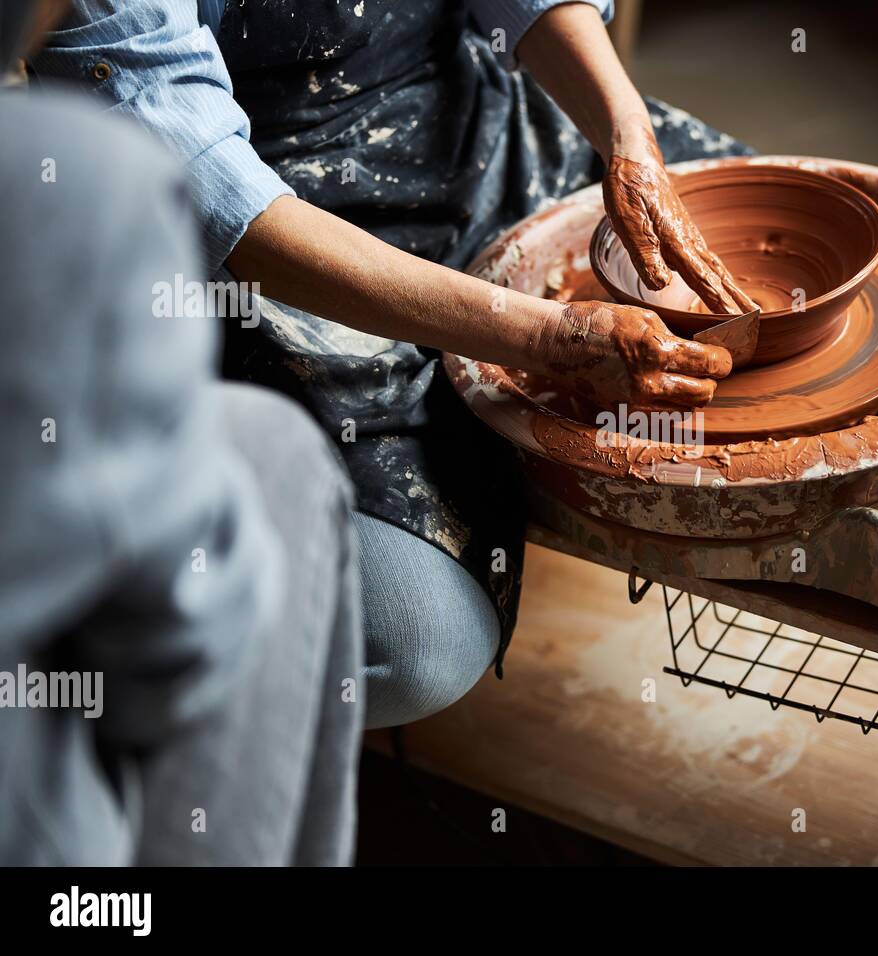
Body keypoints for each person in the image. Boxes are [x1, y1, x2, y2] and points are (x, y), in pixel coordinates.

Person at [32, 0, 754, 727]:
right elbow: (198, 178)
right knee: (420, 646)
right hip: (269, 247)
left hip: (461, 125)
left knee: (763, 232)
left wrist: (628, 138)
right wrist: (547, 340)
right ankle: (80, 663)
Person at [0, 0, 365, 865]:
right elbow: (170, 657)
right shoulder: (67, 184)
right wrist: (528, 332)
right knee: (276, 459)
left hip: (438, 120)